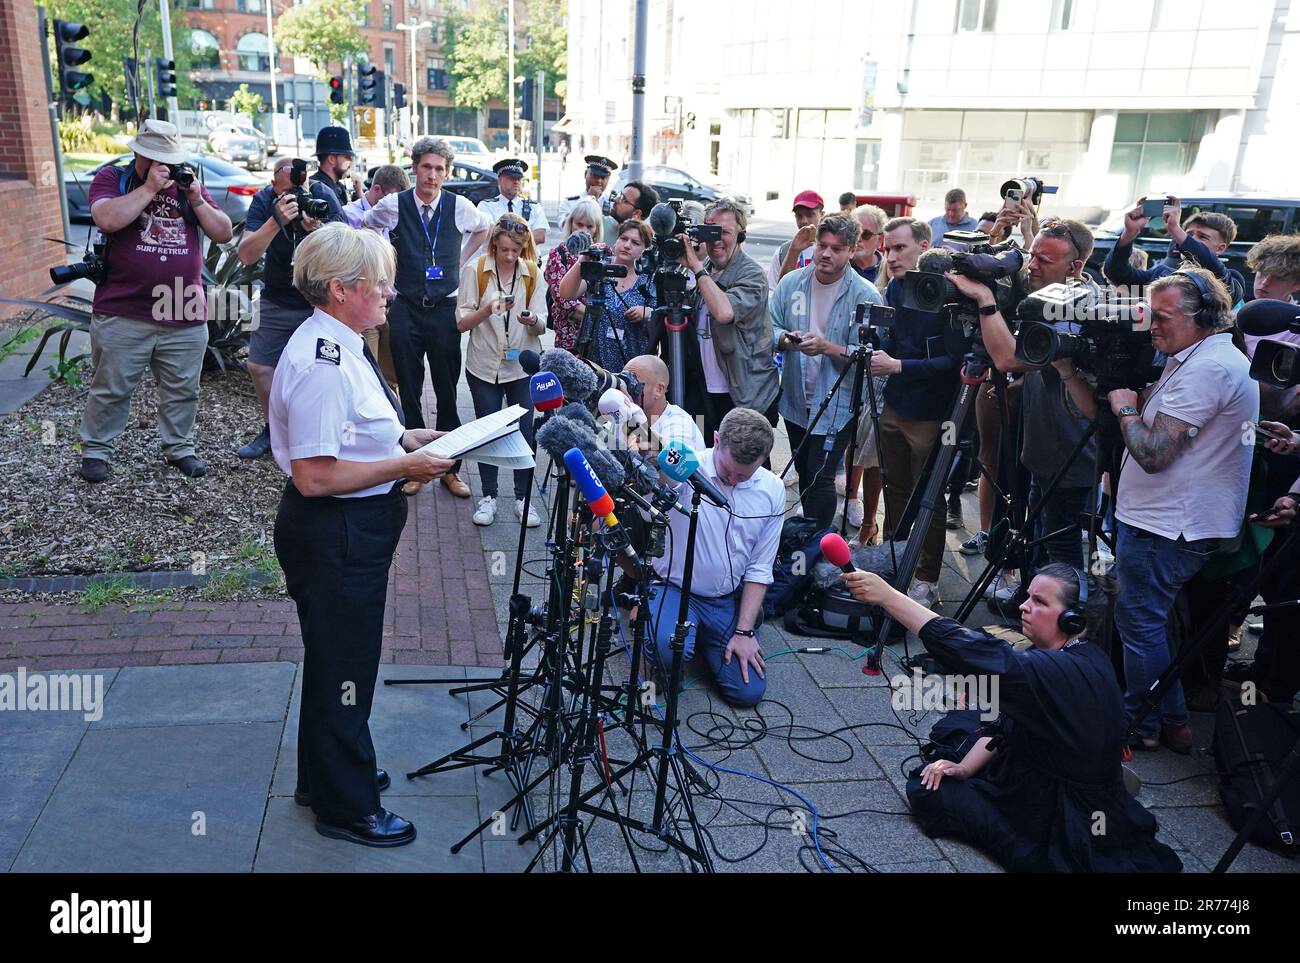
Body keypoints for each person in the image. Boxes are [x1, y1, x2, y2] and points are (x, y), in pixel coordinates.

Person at [270, 224, 456, 847]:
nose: (390, 293)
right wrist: (404, 466)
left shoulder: (342, 339)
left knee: (335, 660)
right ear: (341, 288)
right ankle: (344, 806)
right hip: (336, 530)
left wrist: (404, 441)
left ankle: (324, 776)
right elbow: (317, 476)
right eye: (379, 282)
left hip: (351, 527)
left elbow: (354, 435)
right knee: (346, 663)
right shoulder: (325, 361)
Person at [840, 563, 1183, 873]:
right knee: (967, 723)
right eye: (1028, 596)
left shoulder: (1055, 670)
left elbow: (969, 649)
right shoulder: (1084, 654)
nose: (1023, 605)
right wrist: (964, 768)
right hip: (1064, 780)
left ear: (1072, 620)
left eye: (1039, 601)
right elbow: (1006, 724)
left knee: (930, 790)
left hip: (1061, 810)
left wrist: (889, 597)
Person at [1104, 270, 1255, 752]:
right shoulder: (1196, 356)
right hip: (1163, 519)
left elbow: (1153, 453)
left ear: (1204, 318)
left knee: (1141, 626)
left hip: (1166, 525)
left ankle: (1140, 725)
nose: (1151, 326)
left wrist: (1125, 408)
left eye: (1163, 317)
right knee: (1148, 623)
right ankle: (1171, 721)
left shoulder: (1209, 368)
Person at [950, 219, 1102, 610]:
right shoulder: (1048, 297)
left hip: (1070, 454)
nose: (1031, 265)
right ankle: (1032, 599)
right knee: (1036, 532)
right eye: (1032, 254)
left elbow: (1009, 357)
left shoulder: (1077, 307)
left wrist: (986, 300)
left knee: (1061, 546)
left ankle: (1066, 624)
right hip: (1042, 448)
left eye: (1045, 260)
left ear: (1075, 267)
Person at [79, 119, 233, 483]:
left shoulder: (187, 185)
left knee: (183, 387)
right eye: (156, 159)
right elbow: (107, 219)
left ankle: (180, 448)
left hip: (184, 307)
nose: (164, 166)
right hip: (124, 307)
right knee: (112, 386)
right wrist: (149, 188)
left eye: (169, 159)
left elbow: (224, 232)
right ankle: (96, 450)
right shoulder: (113, 179)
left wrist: (196, 198)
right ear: (139, 154)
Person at [362, 136, 489, 499]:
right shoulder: (394, 204)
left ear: (446, 173)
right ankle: (414, 466)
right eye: (426, 167)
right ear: (414, 168)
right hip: (405, 308)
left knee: (448, 391)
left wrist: (460, 261)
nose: (432, 175)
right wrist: (386, 265)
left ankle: (450, 469)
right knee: (410, 389)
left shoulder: (459, 205)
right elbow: (368, 225)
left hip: (445, 310)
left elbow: (484, 229)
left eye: (439, 169)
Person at [649, 408, 784, 708]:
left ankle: (717, 632)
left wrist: (744, 632)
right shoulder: (688, 468)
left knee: (748, 693)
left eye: (744, 475)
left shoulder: (772, 489)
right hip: (674, 586)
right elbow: (657, 478)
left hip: (725, 598)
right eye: (727, 471)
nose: (734, 480)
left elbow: (760, 567)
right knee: (669, 646)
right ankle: (670, 644)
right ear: (715, 440)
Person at [770, 213, 883, 529]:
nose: (826, 254)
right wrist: (785, 340)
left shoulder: (865, 295)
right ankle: (811, 533)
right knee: (806, 470)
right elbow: (770, 327)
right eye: (822, 245)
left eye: (836, 248)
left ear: (851, 251)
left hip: (838, 404)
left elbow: (871, 357)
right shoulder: (793, 282)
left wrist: (826, 348)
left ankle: (817, 545)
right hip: (795, 399)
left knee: (820, 476)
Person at [871, 217, 960, 609]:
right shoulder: (894, 286)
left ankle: (927, 578)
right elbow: (895, 340)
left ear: (924, 246)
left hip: (932, 412)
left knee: (928, 495)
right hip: (895, 402)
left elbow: (955, 361)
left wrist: (900, 366)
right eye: (887, 249)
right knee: (895, 486)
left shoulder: (951, 293)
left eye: (899, 249)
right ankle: (895, 556)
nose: (891, 257)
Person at [234, 156, 343, 459]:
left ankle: (318, 435)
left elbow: (347, 247)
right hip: (277, 297)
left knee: (324, 372)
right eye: (287, 193)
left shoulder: (322, 195)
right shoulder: (264, 200)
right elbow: (245, 255)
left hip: (319, 303)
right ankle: (273, 431)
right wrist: (275, 220)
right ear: (273, 186)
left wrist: (318, 229)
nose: (296, 198)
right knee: (259, 366)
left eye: (301, 189)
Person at [457, 214, 547, 528]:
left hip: (521, 365)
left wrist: (530, 320)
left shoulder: (532, 273)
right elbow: (461, 323)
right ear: (494, 241)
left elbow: (542, 323)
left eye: (516, 250)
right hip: (483, 365)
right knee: (488, 431)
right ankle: (489, 496)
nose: (510, 256)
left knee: (523, 431)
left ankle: (523, 499)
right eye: (504, 249)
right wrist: (487, 309)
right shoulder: (475, 270)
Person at [671, 197, 781, 441]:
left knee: (744, 464)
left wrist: (696, 269)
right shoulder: (705, 267)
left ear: (741, 235)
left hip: (741, 393)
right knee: (703, 457)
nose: (717, 240)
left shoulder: (751, 274)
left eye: (725, 232)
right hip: (703, 390)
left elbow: (724, 313)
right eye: (710, 231)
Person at [555, 219, 657, 373]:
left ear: (645, 249)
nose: (627, 245)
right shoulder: (600, 268)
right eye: (623, 238)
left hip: (631, 362)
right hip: (593, 360)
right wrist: (584, 259)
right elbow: (566, 293)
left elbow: (659, 326)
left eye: (635, 243)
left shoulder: (648, 279)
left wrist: (648, 314)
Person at [343, 165, 410, 395]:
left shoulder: (390, 217)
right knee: (368, 371)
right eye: (390, 199)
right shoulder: (349, 216)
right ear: (378, 190)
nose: (393, 207)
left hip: (390, 306)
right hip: (364, 307)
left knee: (392, 375)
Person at [1103, 200, 1245, 303]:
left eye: (1202, 237)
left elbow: (1211, 264)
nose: (1191, 239)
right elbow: (1116, 273)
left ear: (1220, 248)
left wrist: (1176, 230)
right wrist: (1129, 233)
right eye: (1189, 234)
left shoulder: (1229, 280)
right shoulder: (1161, 273)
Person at [544, 199, 602, 350]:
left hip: (601, 340)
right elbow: (564, 301)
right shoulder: (558, 254)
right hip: (569, 337)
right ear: (570, 224)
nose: (584, 230)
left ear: (597, 229)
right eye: (579, 224)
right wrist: (600, 319)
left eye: (590, 226)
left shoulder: (604, 253)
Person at [622, 354, 706, 452]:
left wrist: (631, 413)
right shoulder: (622, 415)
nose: (626, 390)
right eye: (625, 382)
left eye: (634, 384)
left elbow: (668, 461)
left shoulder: (679, 425)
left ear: (659, 389)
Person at [477, 158, 549, 247]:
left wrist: (511, 245)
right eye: (511, 178)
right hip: (495, 260)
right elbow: (490, 234)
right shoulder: (486, 206)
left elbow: (540, 236)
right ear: (500, 181)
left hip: (527, 260)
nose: (516, 182)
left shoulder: (534, 207)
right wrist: (523, 239)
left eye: (519, 179)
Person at [770, 190, 825, 288]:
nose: (804, 221)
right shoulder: (783, 251)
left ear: (822, 215)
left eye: (810, 214)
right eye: (799, 216)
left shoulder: (832, 250)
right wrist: (793, 252)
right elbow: (775, 291)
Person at [309, 126, 358, 218]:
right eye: (347, 157)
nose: (350, 162)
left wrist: (358, 193)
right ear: (331, 159)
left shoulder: (337, 186)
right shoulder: (319, 190)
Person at [557, 154, 616, 227]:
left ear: (608, 179)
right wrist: (589, 200)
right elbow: (564, 226)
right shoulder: (569, 202)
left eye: (603, 177)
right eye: (595, 175)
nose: (599, 181)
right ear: (585, 174)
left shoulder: (613, 204)